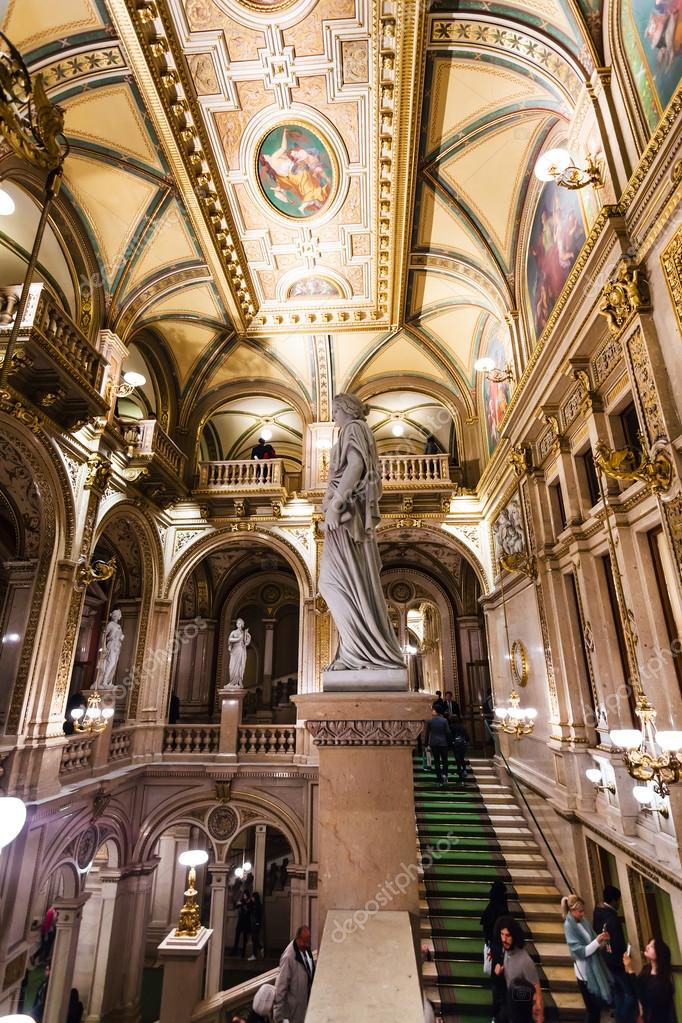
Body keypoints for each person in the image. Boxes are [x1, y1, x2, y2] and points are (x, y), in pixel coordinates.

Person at [318, 393, 406, 672]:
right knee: (341, 583)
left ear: (346, 409)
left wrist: (336, 504)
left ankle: (359, 652)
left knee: (330, 583)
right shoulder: (351, 430)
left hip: (346, 517)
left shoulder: (354, 427)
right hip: (344, 517)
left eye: (334, 410)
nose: (333, 416)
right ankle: (355, 651)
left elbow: (356, 465)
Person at [561, 894, 612, 1022]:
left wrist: (601, 940)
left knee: (596, 1009)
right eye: (580, 911)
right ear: (572, 911)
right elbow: (580, 952)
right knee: (593, 1009)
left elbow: (593, 939)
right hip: (584, 973)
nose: (583, 914)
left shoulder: (583, 921)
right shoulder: (569, 926)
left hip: (593, 969)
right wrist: (597, 941)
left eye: (583, 910)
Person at [592, 886, 637, 1023]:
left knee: (617, 991)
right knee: (630, 994)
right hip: (617, 962)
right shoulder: (613, 919)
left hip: (605, 958)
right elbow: (618, 943)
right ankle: (622, 1018)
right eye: (618, 900)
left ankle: (618, 1016)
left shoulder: (598, 912)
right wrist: (625, 960)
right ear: (613, 901)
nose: (619, 904)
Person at [494, 916, 543, 1022]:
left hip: (520, 1013)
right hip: (509, 1005)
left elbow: (537, 989)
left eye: (507, 935)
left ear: (515, 936)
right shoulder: (506, 950)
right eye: (502, 934)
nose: (504, 939)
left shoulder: (526, 961)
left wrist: (538, 1012)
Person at [623, 937, 675, 1023]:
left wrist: (630, 969)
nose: (647, 946)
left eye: (652, 946)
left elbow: (643, 997)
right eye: (649, 944)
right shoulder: (647, 969)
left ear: (660, 954)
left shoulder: (662, 983)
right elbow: (634, 989)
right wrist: (627, 968)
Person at [273, 925, 315, 1023]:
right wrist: (278, 1016)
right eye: (304, 942)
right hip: (294, 1013)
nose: (307, 945)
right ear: (297, 938)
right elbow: (281, 986)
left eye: (308, 942)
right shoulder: (288, 958)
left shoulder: (306, 950)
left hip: (306, 1008)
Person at [481, 881, 509, 1022]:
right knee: (500, 984)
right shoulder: (502, 908)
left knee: (497, 983)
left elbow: (485, 928)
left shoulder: (490, 908)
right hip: (501, 950)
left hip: (494, 947)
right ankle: (498, 1014)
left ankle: (496, 1014)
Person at [425, 706, 450, 786]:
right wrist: (449, 742)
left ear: (435, 711)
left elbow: (427, 734)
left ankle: (439, 779)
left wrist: (426, 744)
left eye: (433, 710)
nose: (432, 712)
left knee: (436, 761)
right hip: (443, 743)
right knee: (445, 760)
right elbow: (448, 732)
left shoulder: (430, 721)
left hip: (434, 743)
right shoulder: (444, 720)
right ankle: (445, 775)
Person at [228, 618, 251, 688]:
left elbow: (247, 642)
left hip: (241, 650)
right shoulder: (233, 632)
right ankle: (232, 682)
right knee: (231, 666)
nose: (238, 624)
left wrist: (246, 635)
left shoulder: (244, 633)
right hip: (235, 650)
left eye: (240, 623)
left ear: (242, 625)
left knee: (240, 666)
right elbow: (230, 639)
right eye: (237, 623)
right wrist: (238, 639)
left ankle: (238, 682)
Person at [232, 892, 253, 957]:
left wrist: (243, 904)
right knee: (237, 936)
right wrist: (238, 903)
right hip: (241, 921)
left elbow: (249, 910)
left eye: (245, 895)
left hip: (246, 922)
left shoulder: (250, 902)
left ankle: (243, 953)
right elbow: (236, 906)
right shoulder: (242, 901)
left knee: (245, 938)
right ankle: (234, 951)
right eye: (244, 895)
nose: (244, 897)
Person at [449, 717, 469, 782]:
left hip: (456, 744)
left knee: (457, 759)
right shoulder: (462, 727)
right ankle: (464, 769)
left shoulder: (451, 727)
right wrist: (466, 741)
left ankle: (460, 773)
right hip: (462, 744)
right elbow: (467, 736)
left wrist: (451, 742)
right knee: (462, 757)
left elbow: (450, 735)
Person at [249, 891, 263, 960]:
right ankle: (260, 948)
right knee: (254, 939)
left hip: (255, 924)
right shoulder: (255, 904)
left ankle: (255, 954)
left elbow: (258, 915)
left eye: (253, 897)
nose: (252, 898)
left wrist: (257, 923)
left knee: (254, 939)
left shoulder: (257, 905)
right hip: (254, 923)